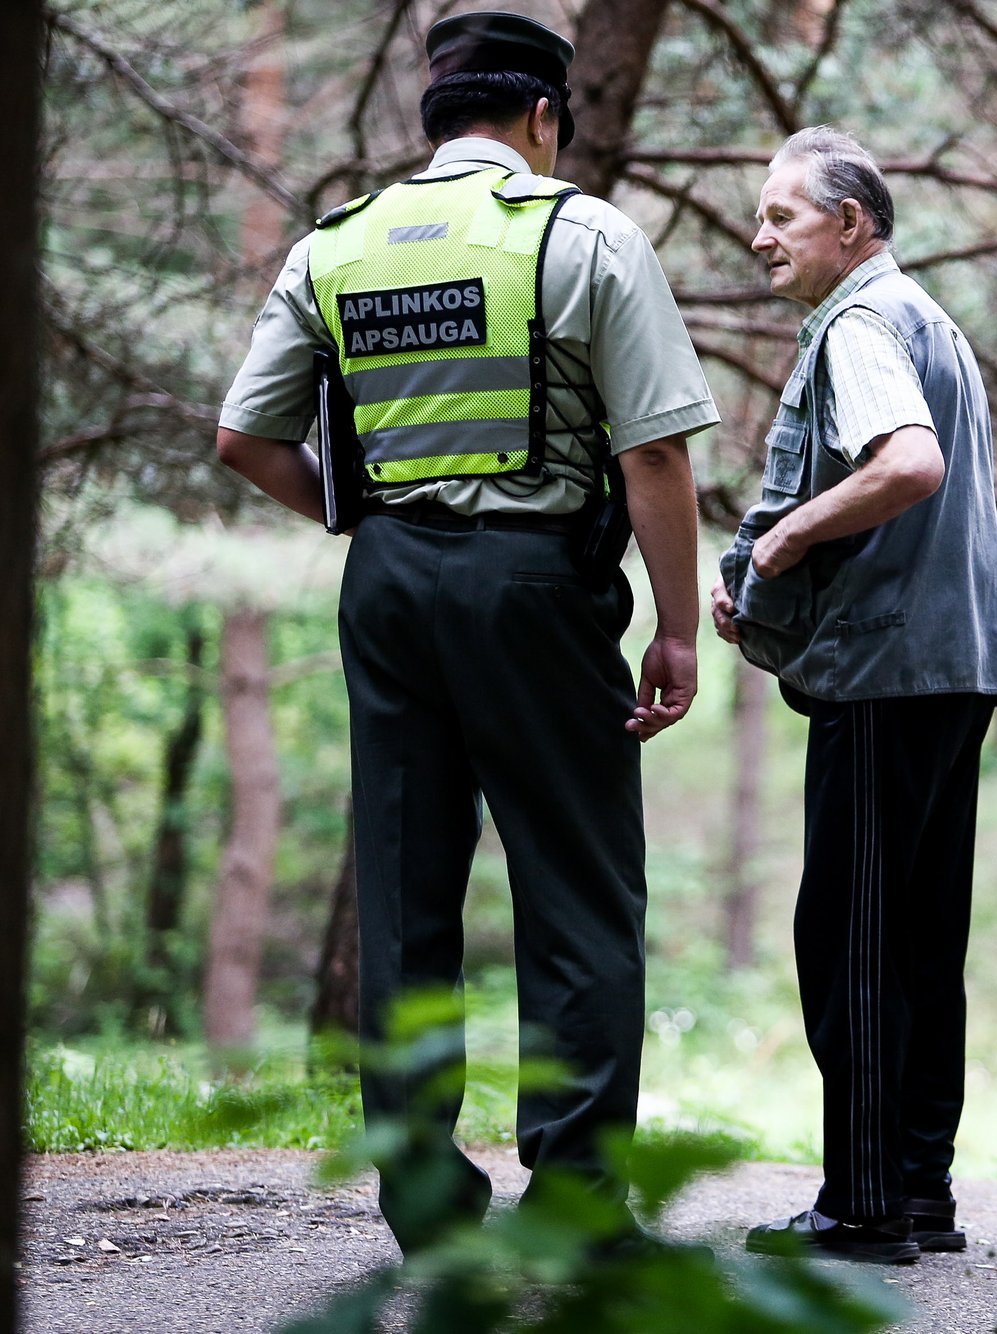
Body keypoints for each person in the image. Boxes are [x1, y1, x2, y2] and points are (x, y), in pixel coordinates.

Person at [215, 10, 716, 1253]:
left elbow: (244, 438)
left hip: (385, 587)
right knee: (578, 890)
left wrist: (369, 522)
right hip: (534, 589)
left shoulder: (335, 247)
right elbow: (650, 445)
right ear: (544, 116)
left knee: (404, 887)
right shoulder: (581, 234)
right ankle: (577, 1202)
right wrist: (675, 626)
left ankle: (426, 1204)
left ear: (435, 116)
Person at [712, 126, 997, 1265]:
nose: (759, 236)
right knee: (923, 941)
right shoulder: (930, 318)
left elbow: (908, 462)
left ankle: (862, 1204)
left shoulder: (861, 324)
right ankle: (919, 1192)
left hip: (888, 674)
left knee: (850, 941)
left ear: (850, 224)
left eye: (782, 215)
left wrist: (781, 538)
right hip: (954, 666)